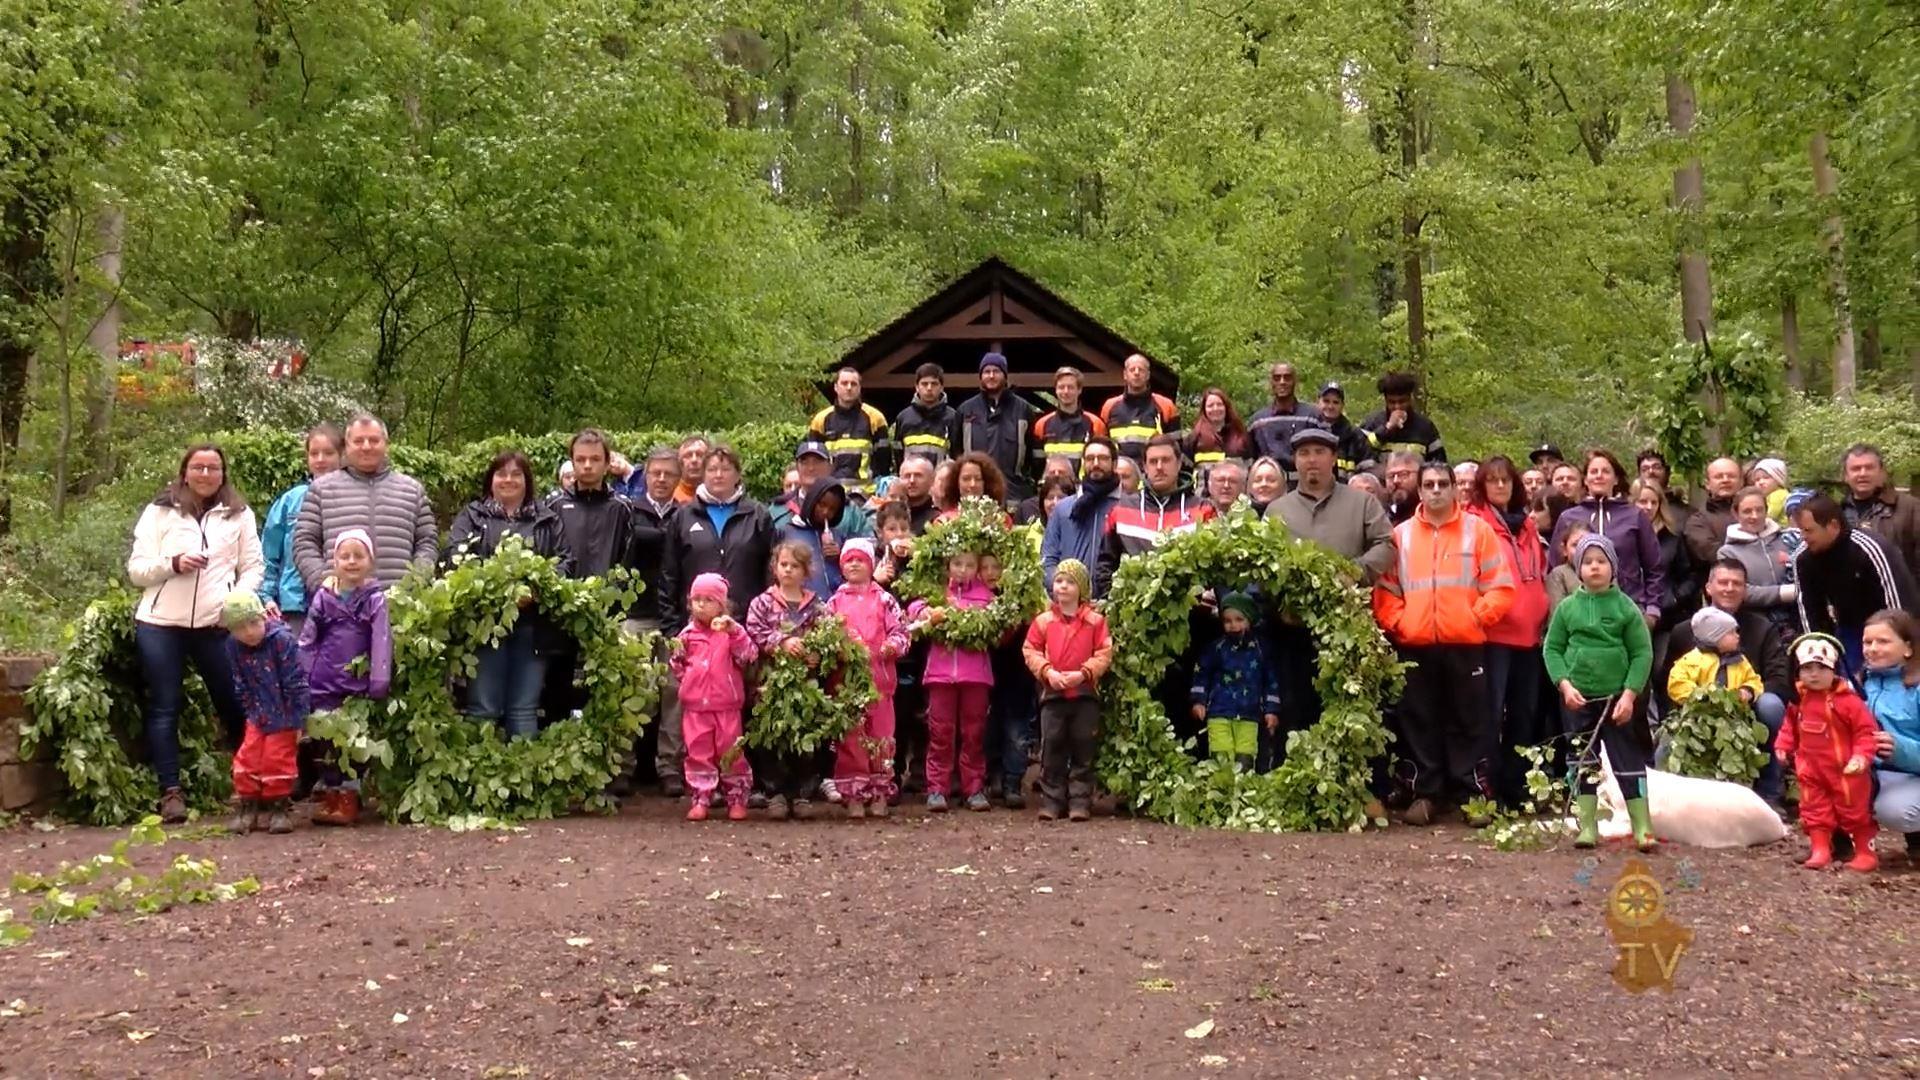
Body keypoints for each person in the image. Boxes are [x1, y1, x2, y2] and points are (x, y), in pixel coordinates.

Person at [1372, 462, 1514, 827]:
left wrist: (1475, 618)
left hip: (1465, 642)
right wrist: (1399, 624)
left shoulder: (1478, 531)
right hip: (1415, 643)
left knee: (1470, 722)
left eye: (1442, 484)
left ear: (1454, 488)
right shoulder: (1400, 536)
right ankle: (1426, 793)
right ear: (1419, 491)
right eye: (1429, 484)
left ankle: (1471, 795)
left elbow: (1500, 585)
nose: (1436, 490)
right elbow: (1386, 590)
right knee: (1418, 721)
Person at [128, 443, 262, 823]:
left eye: (213, 468)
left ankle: (250, 786)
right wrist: (173, 564)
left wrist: (234, 602)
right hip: (159, 625)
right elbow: (137, 569)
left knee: (234, 704)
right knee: (165, 706)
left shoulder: (239, 514)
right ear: (185, 472)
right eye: (198, 467)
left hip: (215, 626)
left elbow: (253, 566)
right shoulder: (160, 511)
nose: (206, 474)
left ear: (223, 473)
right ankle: (170, 793)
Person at [444, 451, 575, 740]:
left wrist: (536, 590)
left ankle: (521, 775)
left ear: (527, 481)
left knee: (524, 708)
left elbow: (565, 562)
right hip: (484, 627)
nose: (509, 480)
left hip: (534, 627)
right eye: (501, 474)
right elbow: (454, 556)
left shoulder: (547, 519)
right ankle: (481, 777)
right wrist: (497, 591)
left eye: (516, 474)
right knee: (483, 707)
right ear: (490, 480)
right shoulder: (473, 516)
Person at [1542, 534, 1655, 850]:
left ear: (1613, 567)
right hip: (1578, 701)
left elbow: (1642, 652)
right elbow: (1552, 648)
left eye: (1601, 561)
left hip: (1617, 701)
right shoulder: (1567, 609)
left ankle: (1642, 826)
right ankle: (1587, 826)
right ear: (1578, 568)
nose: (1595, 567)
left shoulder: (1625, 608)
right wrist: (1564, 684)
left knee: (1628, 761)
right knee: (1581, 762)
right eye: (1588, 562)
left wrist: (1630, 694)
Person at [1664, 557, 1794, 807]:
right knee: (1668, 744)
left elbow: (1779, 679)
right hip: (1696, 712)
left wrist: (1742, 697)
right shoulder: (1684, 632)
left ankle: (1770, 792)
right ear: (1708, 587)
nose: (1730, 588)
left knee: (1771, 705)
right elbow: (1668, 684)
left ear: (1745, 590)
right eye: (1723, 582)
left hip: (1748, 709)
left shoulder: (1762, 628)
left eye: (1737, 583)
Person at [1464, 455, 1550, 806]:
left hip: (1529, 635)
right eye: (1493, 480)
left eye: (1506, 480)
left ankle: (1517, 787)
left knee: (1523, 715)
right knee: (1489, 714)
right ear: (1482, 486)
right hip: (1494, 635)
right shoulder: (1474, 523)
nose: (1501, 486)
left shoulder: (1527, 526)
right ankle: (1487, 789)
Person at [298, 528, 390, 827]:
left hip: (357, 687)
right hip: (324, 683)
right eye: (345, 556)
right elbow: (309, 639)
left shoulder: (375, 599)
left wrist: (379, 679)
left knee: (353, 742)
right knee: (324, 741)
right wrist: (304, 677)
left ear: (370, 561)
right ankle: (331, 794)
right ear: (334, 561)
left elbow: (382, 640)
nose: (351, 562)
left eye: (358, 556)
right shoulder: (324, 598)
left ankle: (350, 796)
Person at [293, 414, 437, 591]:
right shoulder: (321, 490)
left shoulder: (412, 491)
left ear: (386, 444)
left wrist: (418, 581)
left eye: (374, 440)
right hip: (340, 607)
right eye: (359, 441)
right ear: (347, 446)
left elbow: (427, 542)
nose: (367, 447)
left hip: (400, 608)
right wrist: (322, 580)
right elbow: (304, 542)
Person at [1778, 633, 1881, 872]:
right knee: (1814, 809)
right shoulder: (1798, 700)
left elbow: (1866, 732)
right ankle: (1821, 848)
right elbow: (1789, 727)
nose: (1814, 674)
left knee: (1855, 810)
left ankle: (1865, 851)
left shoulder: (1849, 701)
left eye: (1822, 668)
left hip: (1846, 771)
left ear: (1834, 669)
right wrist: (1783, 746)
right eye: (1807, 668)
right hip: (1811, 770)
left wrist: (1861, 756)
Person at [745, 540, 831, 819]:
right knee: (772, 738)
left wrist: (817, 654)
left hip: (807, 686)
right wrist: (781, 641)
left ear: (806, 572)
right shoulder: (762, 602)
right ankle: (776, 794)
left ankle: (802, 795)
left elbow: (828, 634)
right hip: (771, 684)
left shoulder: (817, 605)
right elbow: (754, 631)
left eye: (795, 566)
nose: (788, 570)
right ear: (775, 568)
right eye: (784, 565)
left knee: (806, 738)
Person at [1023, 559, 1112, 822]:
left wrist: (1083, 673)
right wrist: (1047, 671)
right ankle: (1052, 802)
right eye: (1059, 580)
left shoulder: (1095, 621)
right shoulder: (1044, 620)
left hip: (1085, 695)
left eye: (1070, 581)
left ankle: (1080, 801)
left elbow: (1105, 652)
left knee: (1084, 747)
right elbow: (1030, 649)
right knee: (1052, 748)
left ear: (1082, 588)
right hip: (1053, 695)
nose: (1062, 586)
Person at [659, 443, 778, 639]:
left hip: (747, 627)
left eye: (725, 469)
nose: (718, 475)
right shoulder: (683, 517)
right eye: (712, 469)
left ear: (738, 475)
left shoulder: (758, 516)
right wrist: (672, 631)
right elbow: (669, 577)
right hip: (694, 630)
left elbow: (771, 573)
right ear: (703, 475)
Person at [908, 548, 996, 813]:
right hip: (940, 674)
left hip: (976, 675)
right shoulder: (937, 593)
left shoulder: (985, 597)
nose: (962, 570)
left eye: (969, 565)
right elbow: (914, 607)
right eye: (957, 564)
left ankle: (974, 788)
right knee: (940, 733)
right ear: (947, 566)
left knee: (974, 733)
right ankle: (937, 788)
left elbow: (997, 622)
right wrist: (924, 613)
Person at [1792, 491, 1919, 673]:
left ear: (1833, 526)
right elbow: (1809, 611)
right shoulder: (1803, 558)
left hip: (1891, 625)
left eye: (1809, 530)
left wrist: (1901, 648)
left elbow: (1898, 605)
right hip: (1849, 628)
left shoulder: (1870, 549)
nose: (1803, 537)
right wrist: (1819, 652)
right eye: (1800, 531)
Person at [827, 540, 909, 819]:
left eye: (860, 560)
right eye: (848, 560)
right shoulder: (834, 601)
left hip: (880, 683)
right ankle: (853, 794)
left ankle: (880, 791)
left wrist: (892, 646)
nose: (853, 564)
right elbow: (826, 636)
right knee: (851, 741)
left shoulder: (884, 599)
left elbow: (902, 631)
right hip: (847, 686)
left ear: (871, 565)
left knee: (882, 738)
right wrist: (839, 648)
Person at [621, 447, 685, 795]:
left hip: (673, 618)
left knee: (673, 695)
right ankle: (623, 765)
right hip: (636, 615)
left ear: (678, 479)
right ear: (646, 474)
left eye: (668, 474)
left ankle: (670, 767)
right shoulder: (629, 511)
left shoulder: (686, 515)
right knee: (634, 693)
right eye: (656, 473)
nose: (661, 479)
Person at [1547, 450, 1665, 634]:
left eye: (1605, 471)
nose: (1599, 476)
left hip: (1628, 611)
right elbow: (1555, 566)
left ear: (1616, 479)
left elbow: (1654, 567)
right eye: (1593, 472)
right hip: (1579, 616)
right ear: (1585, 480)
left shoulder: (1634, 516)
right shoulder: (1569, 517)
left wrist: (1652, 611)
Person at [221, 592, 308, 836]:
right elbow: (239, 683)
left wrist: (298, 719)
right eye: (239, 627)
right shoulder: (233, 646)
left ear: (263, 617)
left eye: (253, 623)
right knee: (247, 758)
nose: (248, 632)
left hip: (284, 714)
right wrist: (250, 710)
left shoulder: (282, 640)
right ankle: (248, 806)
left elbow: (296, 680)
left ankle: (278, 808)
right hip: (257, 714)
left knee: (277, 759)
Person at [670, 572, 755, 822]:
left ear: (721, 604)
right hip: (696, 707)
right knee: (697, 752)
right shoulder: (686, 636)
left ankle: (736, 798)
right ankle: (701, 797)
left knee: (731, 753)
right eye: (696, 599)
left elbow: (749, 655)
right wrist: (688, 682)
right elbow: (677, 663)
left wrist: (735, 632)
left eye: (708, 600)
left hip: (726, 705)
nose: (701, 605)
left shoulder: (731, 631)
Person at [1267, 428, 1394, 583]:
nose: (1312, 459)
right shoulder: (1276, 510)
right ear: (1295, 460)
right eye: (1304, 453)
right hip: (1291, 603)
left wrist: (1355, 572)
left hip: (1351, 601)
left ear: (1333, 458)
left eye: (1319, 452)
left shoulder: (1363, 503)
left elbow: (1386, 544)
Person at [1096, 435, 1215, 597]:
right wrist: (1113, 601)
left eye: (1166, 460)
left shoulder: (1203, 509)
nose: (1159, 467)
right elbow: (1105, 564)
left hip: (1189, 614)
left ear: (1179, 464)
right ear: (1144, 466)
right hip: (1134, 614)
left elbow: (1212, 568)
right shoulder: (1120, 510)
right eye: (1153, 461)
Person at [257, 423, 343, 635]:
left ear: (342, 455)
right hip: (294, 605)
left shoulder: (351, 497)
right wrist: (266, 597)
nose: (321, 459)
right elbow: (270, 553)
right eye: (314, 453)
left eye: (328, 453)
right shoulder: (290, 500)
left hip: (340, 603)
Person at [1189, 593, 1280, 770]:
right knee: (1220, 757)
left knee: (1245, 759)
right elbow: (1202, 673)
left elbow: (1271, 681)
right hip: (1218, 712)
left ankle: (1242, 794)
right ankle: (1222, 793)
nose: (1233, 625)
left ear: (1250, 620)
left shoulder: (1261, 650)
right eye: (1227, 621)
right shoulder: (1216, 648)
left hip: (1249, 714)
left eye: (1239, 619)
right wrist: (1198, 701)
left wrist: (1272, 711)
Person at [1860, 610, 1920, 862]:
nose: (1872, 649)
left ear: (1907, 648)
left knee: (1896, 810)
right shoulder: (1860, 683)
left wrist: (1899, 748)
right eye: (1867, 642)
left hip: (1912, 772)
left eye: (1882, 641)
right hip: (1878, 772)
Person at [1630, 477, 1699, 679]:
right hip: (1629, 615)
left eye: (1654, 502)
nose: (1648, 507)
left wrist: (1675, 597)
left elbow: (1690, 576)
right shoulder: (1622, 536)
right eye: (1643, 501)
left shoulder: (1672, 537)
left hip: (1665, 617)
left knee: (1661, 669)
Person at [1042, 437, 1121, 598]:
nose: (1096, 463)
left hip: (1110, 606)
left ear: (1114, 464)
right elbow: (1048, 559)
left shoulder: (1126, 508)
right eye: (1090, 458)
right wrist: (1062, 590)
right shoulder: (1064, 509)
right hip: (1067, 607)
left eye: (1103, 458)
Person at [958, 351, 1039, 501]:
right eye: (986, 372)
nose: (991, 376)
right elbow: (956, 451)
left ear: (1005, 375)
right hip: (975, 490)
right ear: (981, 376)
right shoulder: (965, 410)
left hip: (1014, 491)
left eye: (996, 371)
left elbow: (1032, 454)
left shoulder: (1023, 409)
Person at [1719, 486, 1798, 635]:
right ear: (1735, 514)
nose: (1754, 516)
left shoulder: (1786, 540)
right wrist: (1786, 592)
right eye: (1747, 511)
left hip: (1795, 620)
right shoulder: (1728, 552)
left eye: (1759, 510)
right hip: (1755, 626)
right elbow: (1741, 591)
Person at [808, 366, 892, 494]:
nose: (849, 388)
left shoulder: (875, 418)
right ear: (836, 387)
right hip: (831, 494)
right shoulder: (821, 420)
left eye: (853, 384)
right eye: (844, 383)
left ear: (859, 388)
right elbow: (813, 462)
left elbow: (884, 463)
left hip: (866, 496)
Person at [1666, 606, 1765, 714]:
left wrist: (1748, 690)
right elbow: (1677, 684)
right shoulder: (1691, 661)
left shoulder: (1739, 660)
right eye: (1731, 633)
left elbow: (1753, 679)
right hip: (1698, 715)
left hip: (1735, 716)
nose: (1737, 636)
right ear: (1715, 637)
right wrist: (1703, 697)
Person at [1842, 443, 1920, 578]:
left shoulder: (1910, 508)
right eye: (1856, 469)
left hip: (1900, 595)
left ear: (1882, 473)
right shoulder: (1838, 513)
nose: (1863, 473)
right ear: (1845, 476)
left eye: (1869, 468)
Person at [1099, 353, 1181, 464]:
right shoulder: (1109, 406)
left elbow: (1177, 448)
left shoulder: (1166, 406)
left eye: (1141, 370)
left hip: (1153, 473)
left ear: (1148, 375)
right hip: (1120, 473)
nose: (1136, 373)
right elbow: (1102, 446)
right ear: (1125, 374)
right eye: (1132, 369)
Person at [1030, 366, 1107, 477]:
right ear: (1055, 390)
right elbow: (1037, 465)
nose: (1065, 391)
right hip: (1054, 488)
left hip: (1085, 489)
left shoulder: (1095, 424)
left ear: (1079, 390)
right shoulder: (1042, 425)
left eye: (1070, 387)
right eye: (1061, 387)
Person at [1247, 362, 1320, 474]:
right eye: (1277, 378)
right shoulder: (1258, 421)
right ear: (1271, 382)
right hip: (1268, 482)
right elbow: (1250, 462)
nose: (1282, 382)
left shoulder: (1312, 417)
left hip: (1304, 484)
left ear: (1295, 381)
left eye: (1287, 378)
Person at [1360, 370, 1445, 463]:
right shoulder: (1372, 423)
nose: (1397, 407)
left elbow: (1439, 462)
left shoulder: (1425, 427)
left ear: (1410, 399)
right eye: (1392, 402)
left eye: (1402, 401)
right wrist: (1386, 429)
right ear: (1385, 400)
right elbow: (1361, 451)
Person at [895, 362, 963, 466]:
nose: (929, 388)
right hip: (912, 479)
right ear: (917, 387)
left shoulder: (953, 417)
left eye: (934, 384)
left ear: (941, 387)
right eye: (924, 384)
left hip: (941, 480)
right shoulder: (903, 418)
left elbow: (958, 454)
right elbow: (898, 454)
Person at [1681, 457, 1744, 566]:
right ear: (1707, 484)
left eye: (1731, 476)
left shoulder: (1754, 512)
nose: (1725, 480)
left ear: (1741, 482)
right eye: (1719, 477)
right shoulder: (1698, 521)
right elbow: (1711, 553)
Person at [1185, 387, 1251, 481]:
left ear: (1226, 407)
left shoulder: (1241, 435)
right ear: (1204, 409)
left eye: (1219, 404)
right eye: (1210, 405)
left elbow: (1250, 468)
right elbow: (1185, 471)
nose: (1215, 408)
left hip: (1237, 493)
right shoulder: (1194, 438)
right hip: (1203, 494)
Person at [1315, 382, 1374, 479]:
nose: (1330, 406)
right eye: (1326, 401)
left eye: (1336, 402)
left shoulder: (1355, 435)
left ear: (1342, 405)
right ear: (1317, 402)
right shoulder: (1308, 430)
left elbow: (1369, 468)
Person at [933, 451, 1011, 522]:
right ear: (956, 482)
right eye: (966, 479)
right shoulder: (943, 522)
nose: (972, 484)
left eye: (978, 479)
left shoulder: (1001, 520)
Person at [1015, 456, 1076, 524]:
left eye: (1061, 473)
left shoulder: (1080, 506)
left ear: (1072, 478)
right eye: (1052, 473)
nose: (1056, 475)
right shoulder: (1026, 508)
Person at [891, 456, 941, 534]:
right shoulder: (890, 514)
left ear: (931, 480)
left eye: (918, 475)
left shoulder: (937, 518)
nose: (912, 480)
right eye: (907, 476)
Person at [1544, 522, 1588, 608]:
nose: (1581, 549)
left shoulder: (1605, 572)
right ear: (1564, 549)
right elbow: (1557, 611)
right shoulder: (1559, 575)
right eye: (1575, 545)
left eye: (1586, 544)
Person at [1382, 451, 1421, 525]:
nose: (1396, 481)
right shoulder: (1380, 515)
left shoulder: (1432, 512)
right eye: (1391, 476)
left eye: (1403, 474)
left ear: (1420, 475)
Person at [1748, 457, 1790, 525]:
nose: (1761, 482)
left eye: (1766, 478)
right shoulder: (1768, 496)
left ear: (1778, 480)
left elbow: (1771, 515)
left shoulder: (1778, 494)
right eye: (1757, 479)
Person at [672, 436, 709, 505]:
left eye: (699, 455)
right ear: (679, 462)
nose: (694, 460)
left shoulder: (720, 496)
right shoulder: (669, 497)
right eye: (688, 456)